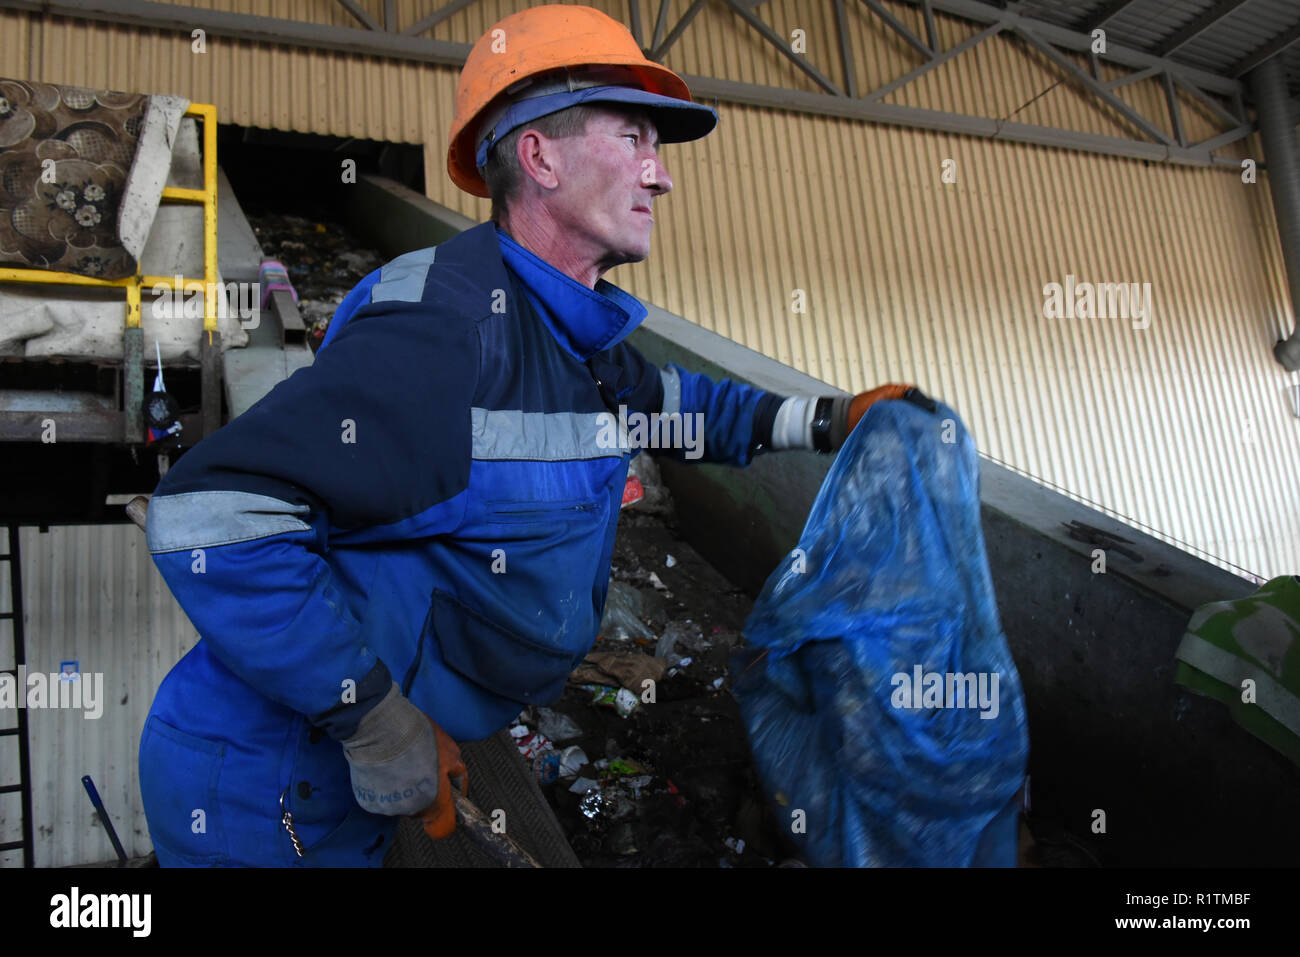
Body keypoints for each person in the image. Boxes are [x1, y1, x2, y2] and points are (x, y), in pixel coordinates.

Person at [139, 4, 930, 867]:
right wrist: (375, 718)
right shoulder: (445, 326)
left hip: (376, 745)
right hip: (269, 784)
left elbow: (678, 405)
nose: (659, 175)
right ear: (539, 156)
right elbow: (210, 514)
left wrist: (829, 419)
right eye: (633, 137)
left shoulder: (569, 336)